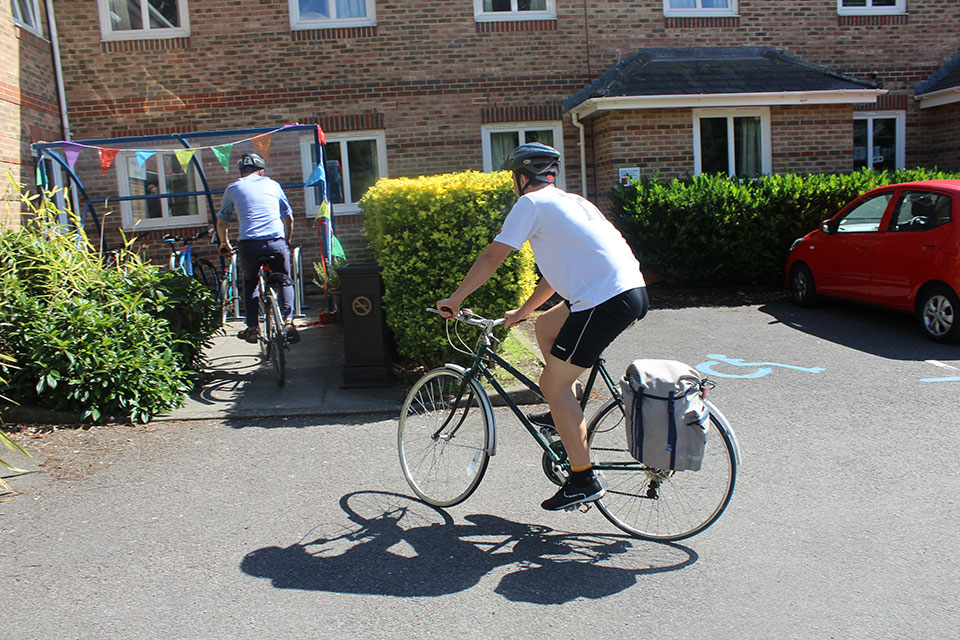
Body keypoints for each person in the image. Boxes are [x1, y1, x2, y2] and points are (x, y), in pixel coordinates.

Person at [436, 142, 647, 511]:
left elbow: (492, 256)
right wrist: (522, 311)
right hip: (626, 291)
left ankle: (582, 479)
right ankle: (563, 412)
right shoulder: (572, 202)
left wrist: (455, 299)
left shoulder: (530, 204)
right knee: (546, 326)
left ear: (521, 177)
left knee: (553, 383)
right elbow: (551, 278)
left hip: (604, 301)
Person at [217, 152, 300, 344]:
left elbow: (222, 223)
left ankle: (252, 327)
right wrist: (286, 240)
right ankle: (288, 322)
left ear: (241, 172)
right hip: (275, 242)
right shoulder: (274, 185)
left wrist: (224, 243)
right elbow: (289, 218)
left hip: (249, 245)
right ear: (261, 171)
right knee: (285, 281)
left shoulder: (233, 187)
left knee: (250, 282)